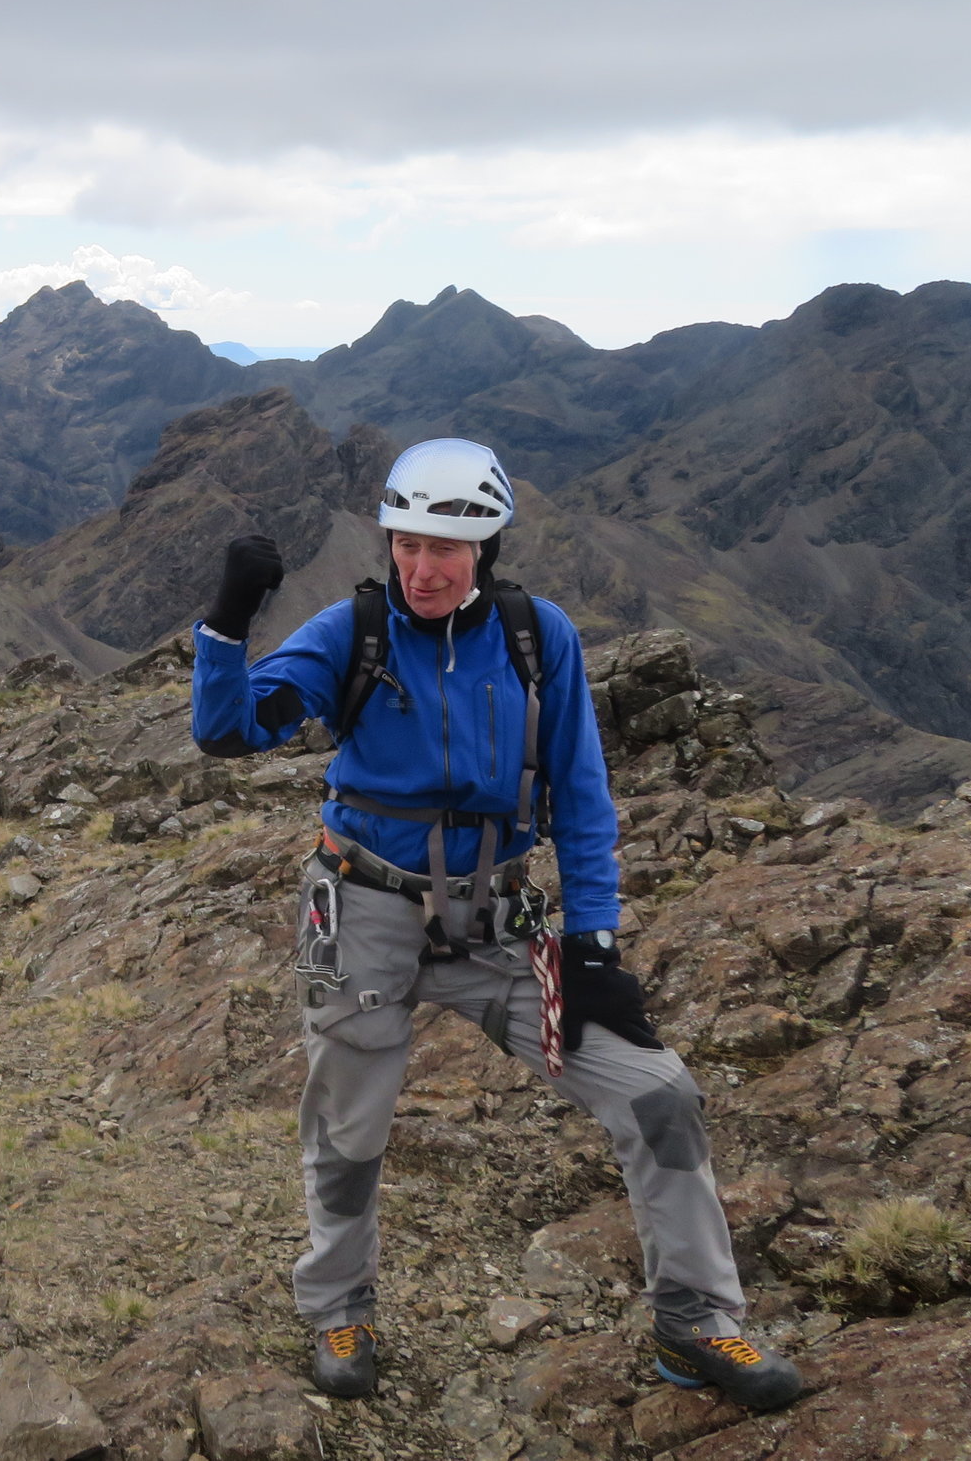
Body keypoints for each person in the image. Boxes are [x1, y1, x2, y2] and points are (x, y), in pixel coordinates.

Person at [187, 437, 801, 1414]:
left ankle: (694, 1321)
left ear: (487, 549)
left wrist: (592, 943)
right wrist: (225, 626)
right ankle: (338, 1306)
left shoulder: (534, 637)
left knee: (657, 1092)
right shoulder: (352, 632)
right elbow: (228, 732)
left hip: (499, 924)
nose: (423, 568)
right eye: (408, 544)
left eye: (448, 548)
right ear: (387, 540)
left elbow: (582, 794)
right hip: (362, 911)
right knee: (348, 1124)